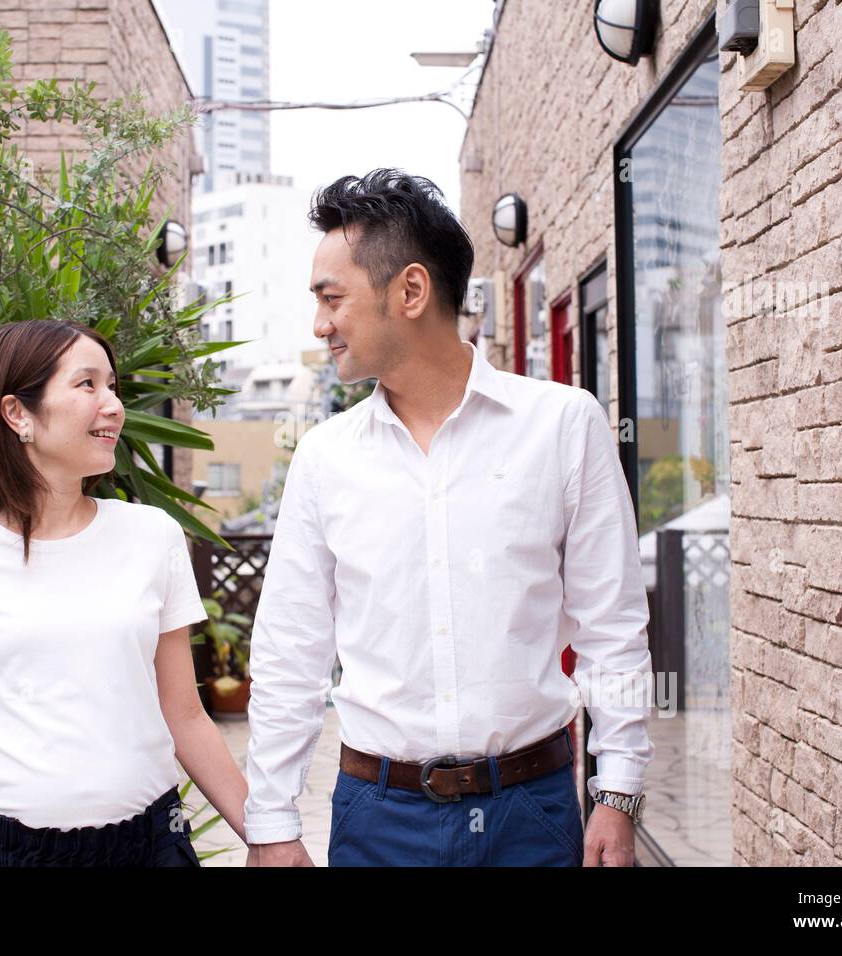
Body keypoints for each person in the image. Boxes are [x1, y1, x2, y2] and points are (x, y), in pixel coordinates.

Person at [242, 169, 654, 867]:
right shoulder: (325, 458)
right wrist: (272, 823)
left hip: (534, 810)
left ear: (409, 291)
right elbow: (290, 653)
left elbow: (611, 624)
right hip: (378, 820)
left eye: (330, 298)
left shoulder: (562, 425)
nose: (320, 324)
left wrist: (618, 794)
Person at [0, 319, 249, 866]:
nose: (113, 405)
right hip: (3, 854)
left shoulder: (152, 536)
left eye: (112, 386)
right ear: (17, 414)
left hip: (148, 846)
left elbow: (186, 715)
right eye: (87, 385)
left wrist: (270, 839)